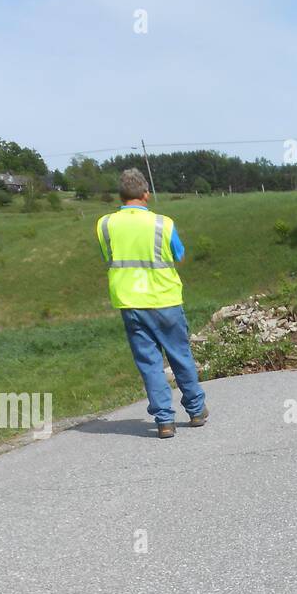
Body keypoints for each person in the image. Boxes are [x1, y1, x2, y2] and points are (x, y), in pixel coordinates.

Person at [96, 168, 208, 438]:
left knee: (149, 363)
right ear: (146, 193)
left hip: (130, 303)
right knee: (180, 355)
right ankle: (195, 411)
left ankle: (164, 422)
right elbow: (178, 255)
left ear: (121, 196)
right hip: (165, 299)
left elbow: (107, 256)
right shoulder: (163, 224)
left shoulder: (105, 225)